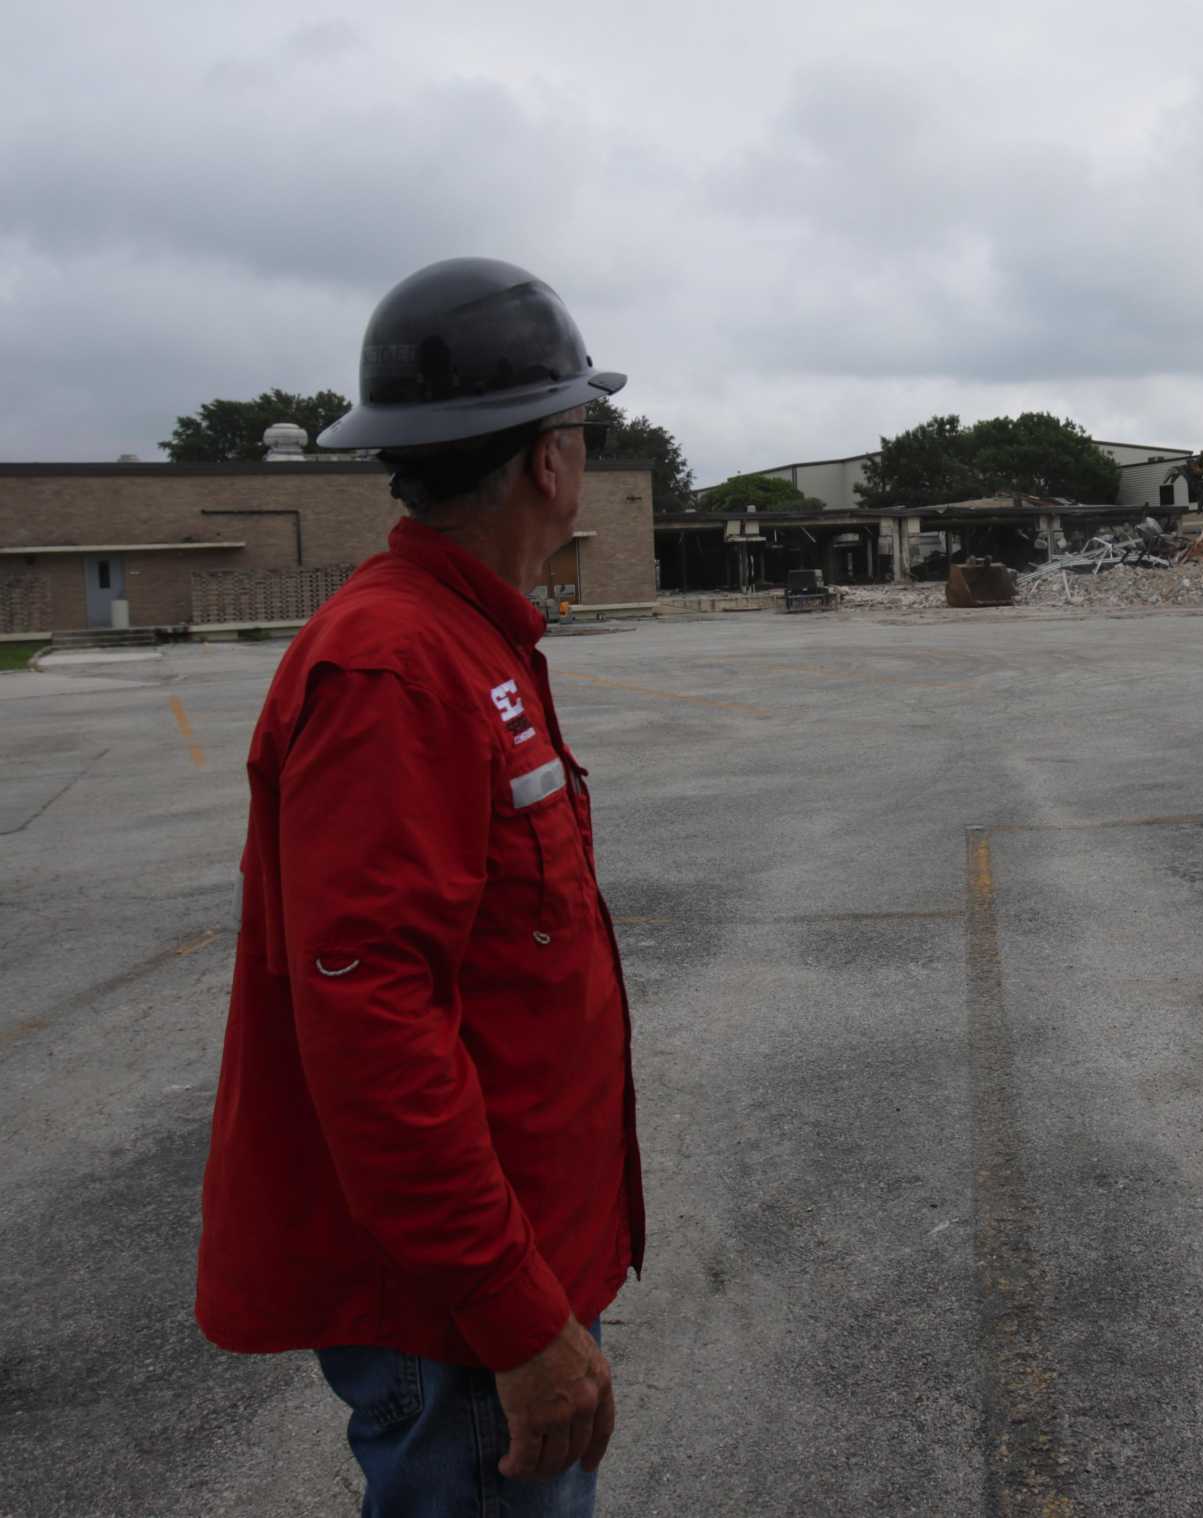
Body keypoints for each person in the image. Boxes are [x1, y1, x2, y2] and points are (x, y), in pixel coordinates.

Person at [196, 258, 645, 1517]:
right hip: (455, 1323)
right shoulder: (396, 668)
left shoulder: (466, 638)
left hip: (503, 1279)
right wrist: (513, 1318)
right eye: (579, 430)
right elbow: (370, 1019)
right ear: (548, 463)